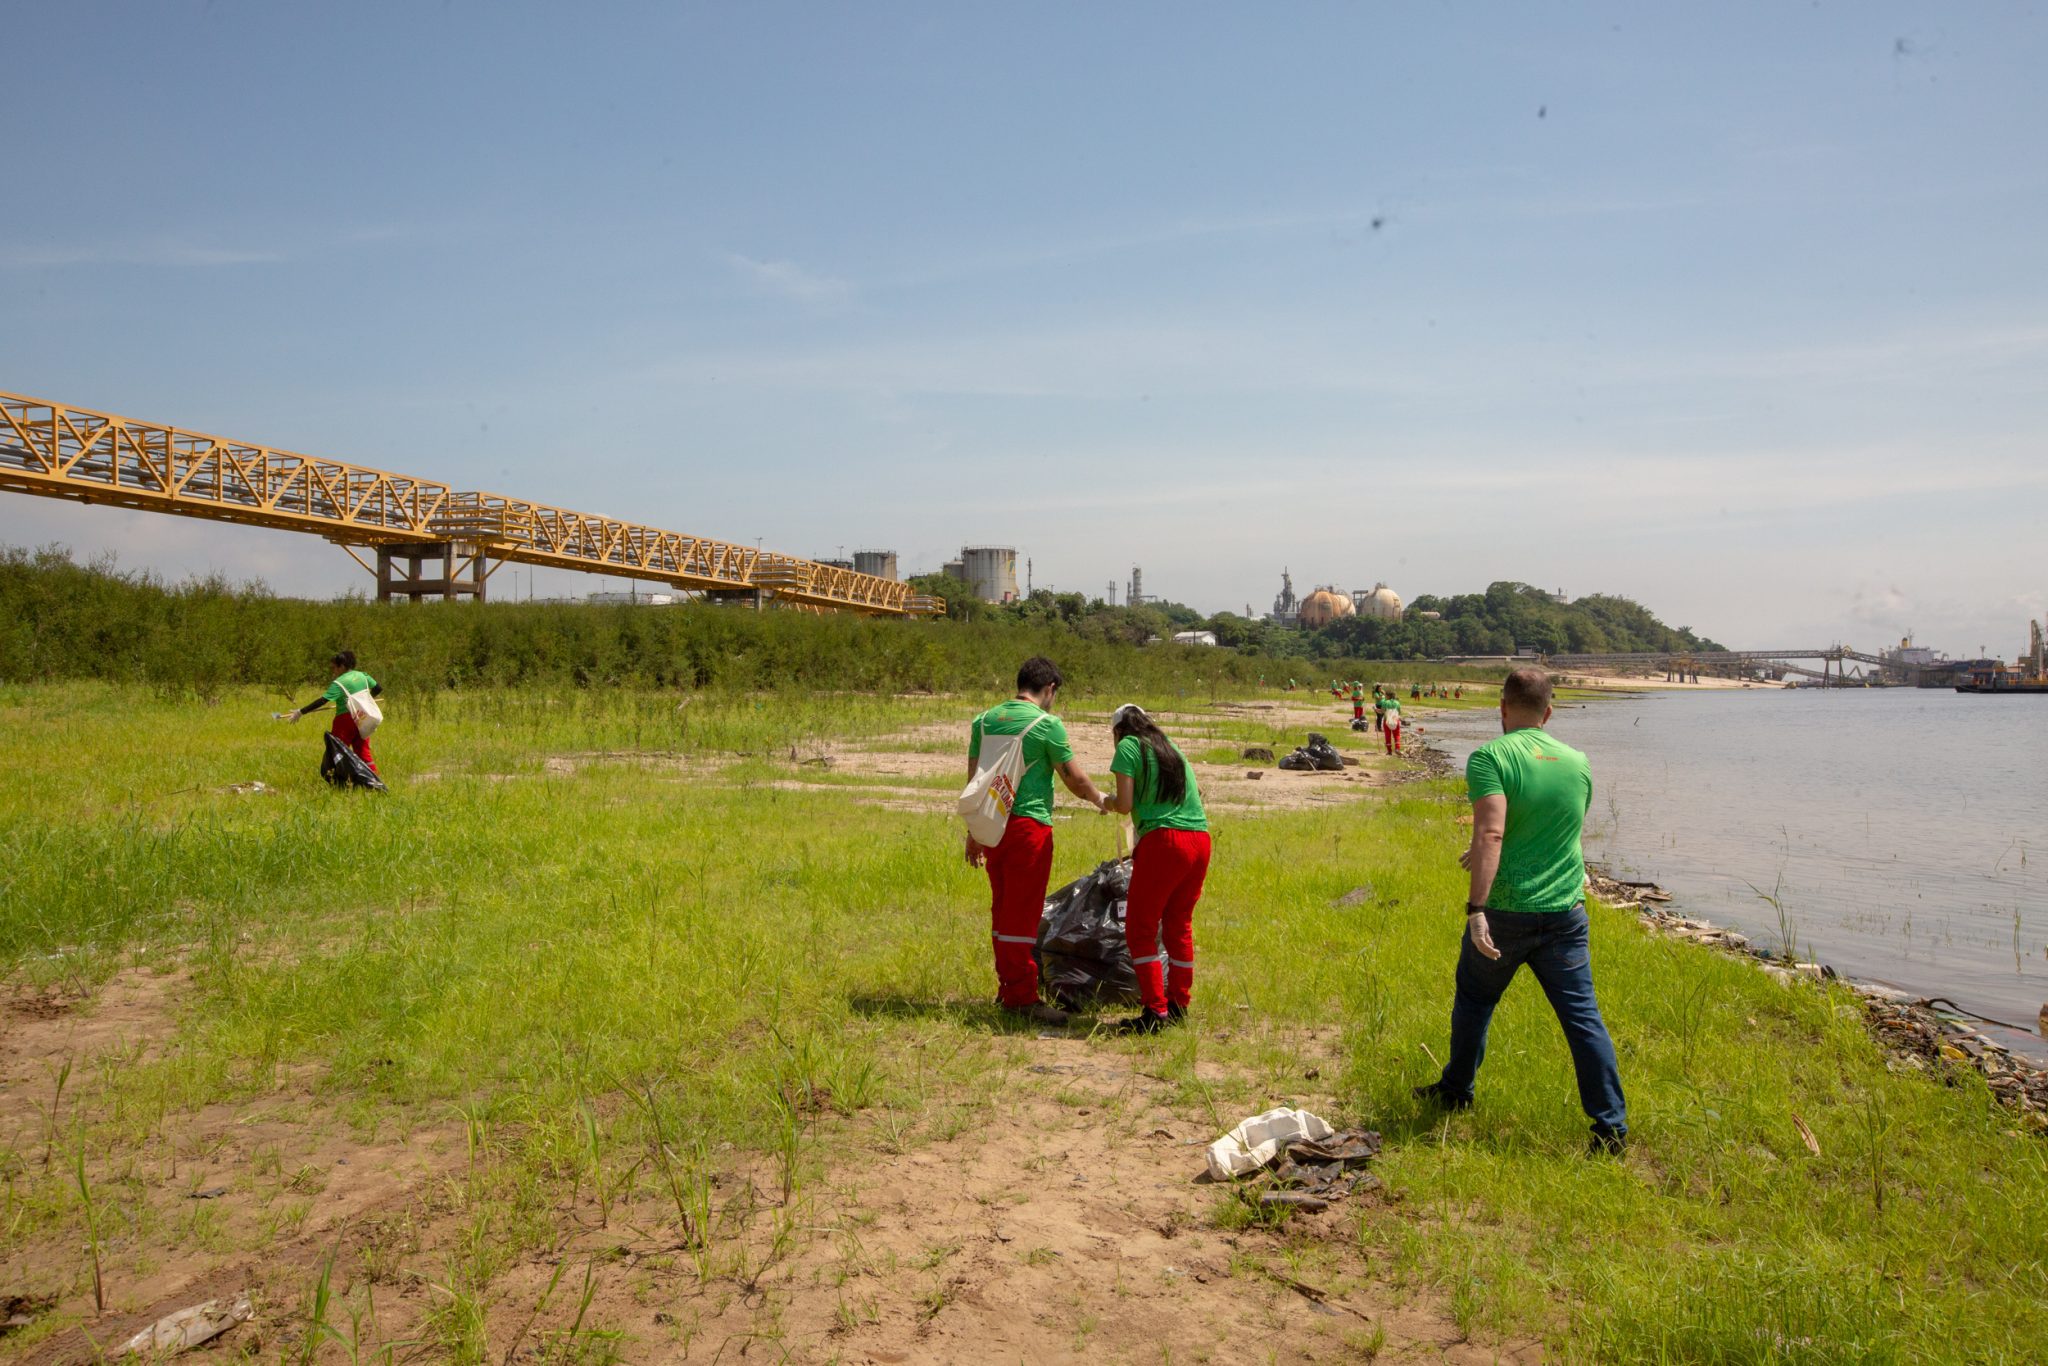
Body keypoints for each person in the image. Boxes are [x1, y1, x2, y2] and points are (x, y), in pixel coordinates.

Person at [1414, 668, 1628, 1154]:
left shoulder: (1491, 756)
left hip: (1505, 914)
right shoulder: (1578, 762)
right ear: (1549, 712)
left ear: (1502, 708)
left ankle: (1455, 1092)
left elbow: (1493, 831)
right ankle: (1611, 1127)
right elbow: (1553, 830)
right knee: (1583, 1019)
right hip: (1565, 914)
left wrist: (1476, 909)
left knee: (1474, 1000)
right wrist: (1490, 850)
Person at [966, 657, 1108, 1026]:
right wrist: (1100, 800)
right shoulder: (1048, 726)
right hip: (1029, 827)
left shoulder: (984, 721)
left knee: (1002, 912)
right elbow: (1074, 779)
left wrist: (974, 833)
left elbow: (975, 780)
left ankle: (1008, 986)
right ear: (1050, 689)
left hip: (992, 825)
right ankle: (1021, 998)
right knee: (1023, 915)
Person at [1099, 704, 1209, 1035]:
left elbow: (1125, 804)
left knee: (1141, 929)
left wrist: (1106, 801)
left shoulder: (1129, 747)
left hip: (1164, 842)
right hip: (1200, 840)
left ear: (1118, 731)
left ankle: (1154, 1012)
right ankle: (1178, 1005)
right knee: (1179, 926)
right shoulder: (1170, 747)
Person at [279, 650, 383, 773]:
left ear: (342, 666)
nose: (333, 671)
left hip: (345, 721)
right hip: (363, 719)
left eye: (334, 668)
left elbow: (322, 701)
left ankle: (339, 781)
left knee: (337, 752)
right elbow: (378, 688)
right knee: (363, 752)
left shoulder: (339, 683)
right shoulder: (363, 676)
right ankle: (374, 782)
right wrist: (366, 701)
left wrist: (301, 712)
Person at [1375, 688, 1402, 754]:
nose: (1385, 696)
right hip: (1395, 720)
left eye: (1386, 695)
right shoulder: (1397, 703)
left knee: (1388, 736)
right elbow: (1399, 712)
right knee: (1397, 735)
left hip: (1387, 721)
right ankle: (1397, 748)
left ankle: (1389, 751)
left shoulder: (1385, 702)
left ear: (1388, 696)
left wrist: (1376, 710)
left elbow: (1382, 711)